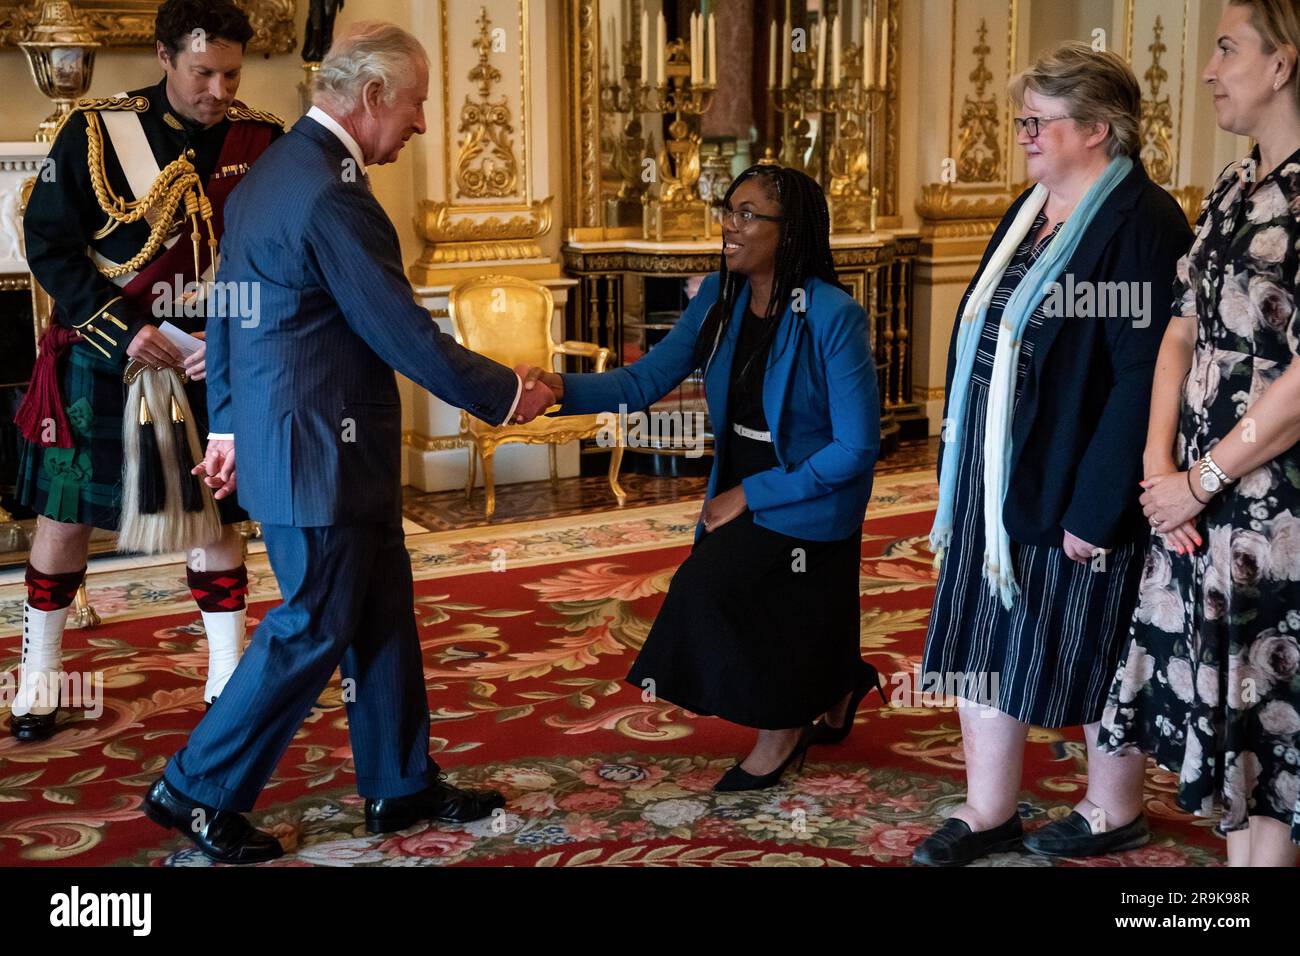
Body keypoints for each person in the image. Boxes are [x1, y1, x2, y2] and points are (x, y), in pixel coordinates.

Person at [142, 21, 557, 864]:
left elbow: (229, 313)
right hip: (318, 459)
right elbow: (403, 333)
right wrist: (507, 393)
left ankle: (398, 784)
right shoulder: (331, 193)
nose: (421, 124)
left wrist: (225, 422)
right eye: (416, 106)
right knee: (312, 626)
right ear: (372, 97)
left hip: (316, 448)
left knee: (380, 622)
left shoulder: (271, 171)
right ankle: (195, 786)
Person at [910, 43, 1192, 866]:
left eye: (1039, 121)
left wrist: (1099, 504)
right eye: (1023, 119)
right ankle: (988, 808)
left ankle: (1114, 809)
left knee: (1092, 648)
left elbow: (1140, 379)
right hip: (989, 476)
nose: (1024, 134)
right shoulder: (1032, 206)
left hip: (1073, 480)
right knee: (980, 635)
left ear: (1099, 129)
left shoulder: (1142, 221)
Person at [522, 165, 882, 793]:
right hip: (739, 475)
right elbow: (642, 380)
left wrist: (752, 494)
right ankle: (840, 681)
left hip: (809, 487)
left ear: (788, 228)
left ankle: (782, 729)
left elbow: (856, 447)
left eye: (747, 214)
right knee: (779, 605)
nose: (729, 226)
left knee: (710, 591)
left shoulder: (833, 314)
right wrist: (560, 388)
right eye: (728, 210)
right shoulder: (720, 298)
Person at [8, 0, 285, 741]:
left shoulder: (263, 140)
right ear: (164, 57)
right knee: (65, 518)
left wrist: (233, 340)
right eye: (202, 73)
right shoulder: (97, 132)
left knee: (217, 515)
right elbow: (52, 249)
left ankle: (226, 674)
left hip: (213, 358)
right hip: (109, 357)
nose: (219, 90)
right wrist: (124, 333)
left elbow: (279, 254)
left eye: (231, 73)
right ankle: (40, 677)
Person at [1099, 0, 1300, 868]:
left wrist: (1205, 477)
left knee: (1274, 734)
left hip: (1274, 512)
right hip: (1197, 503)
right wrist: (1157, 473)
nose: (1209, 70)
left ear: (1283, 65)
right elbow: (1177, 334)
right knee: (1231, 738)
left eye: (1226, 49)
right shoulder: (1228, 189)